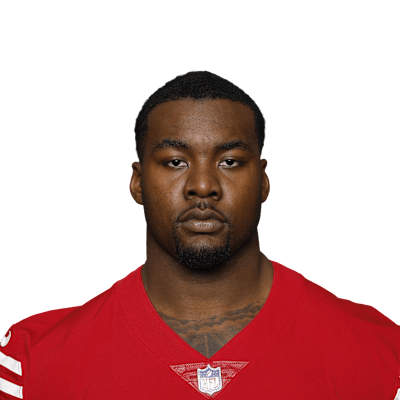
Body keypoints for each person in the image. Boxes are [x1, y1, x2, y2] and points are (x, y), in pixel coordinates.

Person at [1, 70, 399, 400]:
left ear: (263, 181)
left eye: (230, 161)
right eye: (175, 161)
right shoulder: (30, 361)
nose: (203, 186)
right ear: (137, 182)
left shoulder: (383, 353)